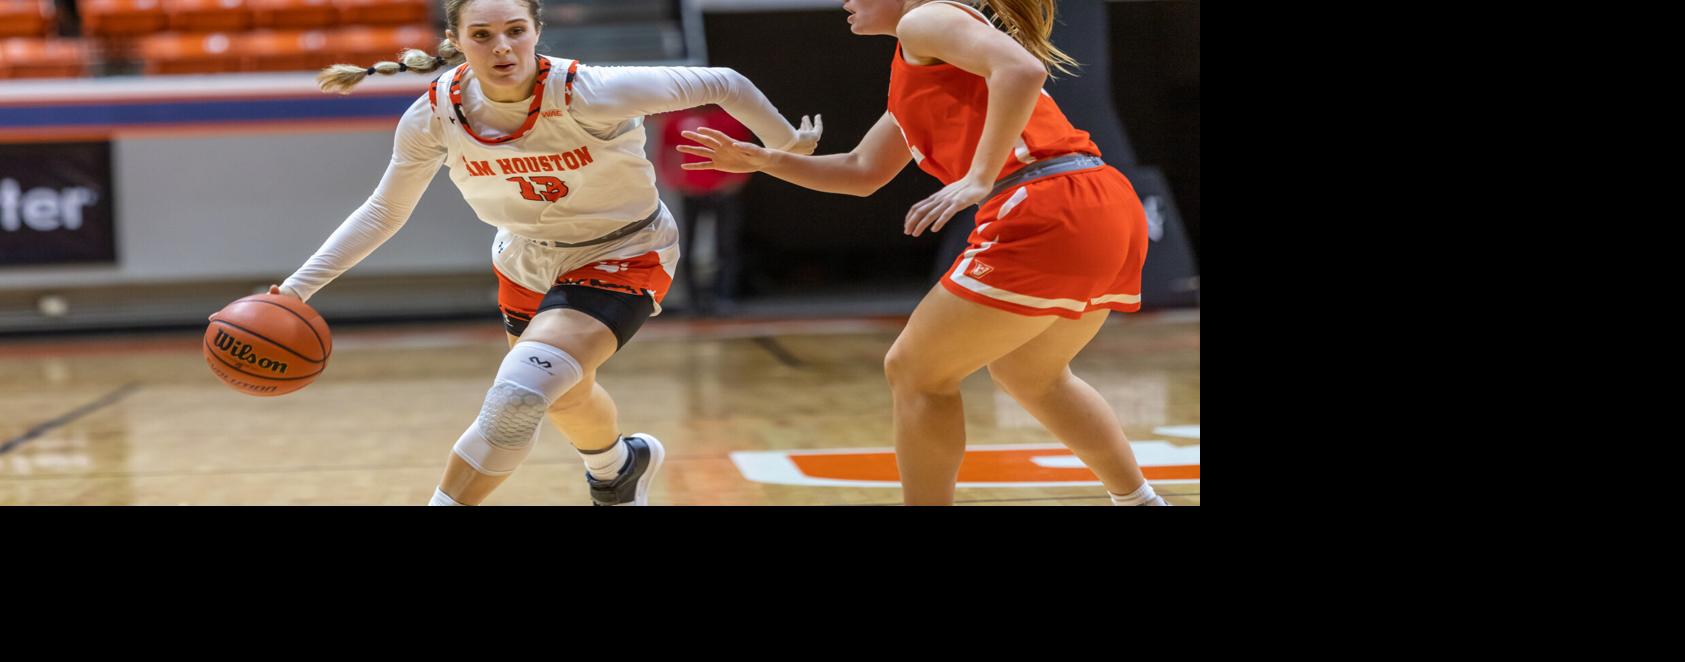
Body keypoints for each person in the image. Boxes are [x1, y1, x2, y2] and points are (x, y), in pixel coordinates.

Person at [271, 0, 821, 506]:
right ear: (456, 40)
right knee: (563, 395)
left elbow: (723, 83)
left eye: (515, 31)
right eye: (483, 35)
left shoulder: (590, 92)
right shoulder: (433, 115)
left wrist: (784, 146)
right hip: (525, 258)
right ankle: (617, 467)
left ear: (537, 32)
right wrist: (295, 290)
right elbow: (383, 212)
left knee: (518, 394)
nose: (502, 47)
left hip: (623, 250)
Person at [677, 0, 1165, 506]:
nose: (846, 2)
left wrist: (978, 176)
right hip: (1101, 201)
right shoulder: (920, 67)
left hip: (1045, 201)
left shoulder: (925, 19)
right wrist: (764, 160)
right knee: (1032, 375)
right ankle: (1140, 500)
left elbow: (1021, 68)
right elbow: (861, 170)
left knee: (915, 372)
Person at [655, 105, 754, 315]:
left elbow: (745, 151)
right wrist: (676, 183)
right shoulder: (675, 121)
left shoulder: (731, 120)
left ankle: (724, 297)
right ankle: (693, 300)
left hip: (724, 192)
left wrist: (736, 180)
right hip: (691, 192)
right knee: (687, 245)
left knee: (726, 244)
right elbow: (666, 153)